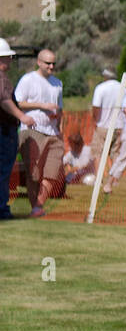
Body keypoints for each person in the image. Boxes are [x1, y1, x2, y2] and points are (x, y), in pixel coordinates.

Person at [14, 48, 64, 217]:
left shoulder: (58, 83)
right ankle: (35, 207)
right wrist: (42, 106)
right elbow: (18, 103)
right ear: (39, 62)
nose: (51, 67)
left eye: (53, 64)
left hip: (53, 132)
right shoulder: (28, 80)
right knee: (33, 173)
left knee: (52, 172)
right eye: (48, 63)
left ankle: (38, 206)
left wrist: (60, 130)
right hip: (32, 131)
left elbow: (60, 109)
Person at [0, 39, 38, 220]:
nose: (10, 60)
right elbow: (5, 100)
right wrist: (22, 116)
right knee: (3, 170)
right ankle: (1, 209)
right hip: (4, 131)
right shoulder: (1, 78)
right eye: (8, 57)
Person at [90, 68, 125, 172]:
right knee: (116, 154)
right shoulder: (123, 88)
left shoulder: (100, 88)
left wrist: (95, 120)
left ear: (105, 76)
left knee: (98, 153)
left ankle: (99, 180)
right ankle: (114, 181)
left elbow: (96, 106)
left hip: (103, 125)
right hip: (119, 126)